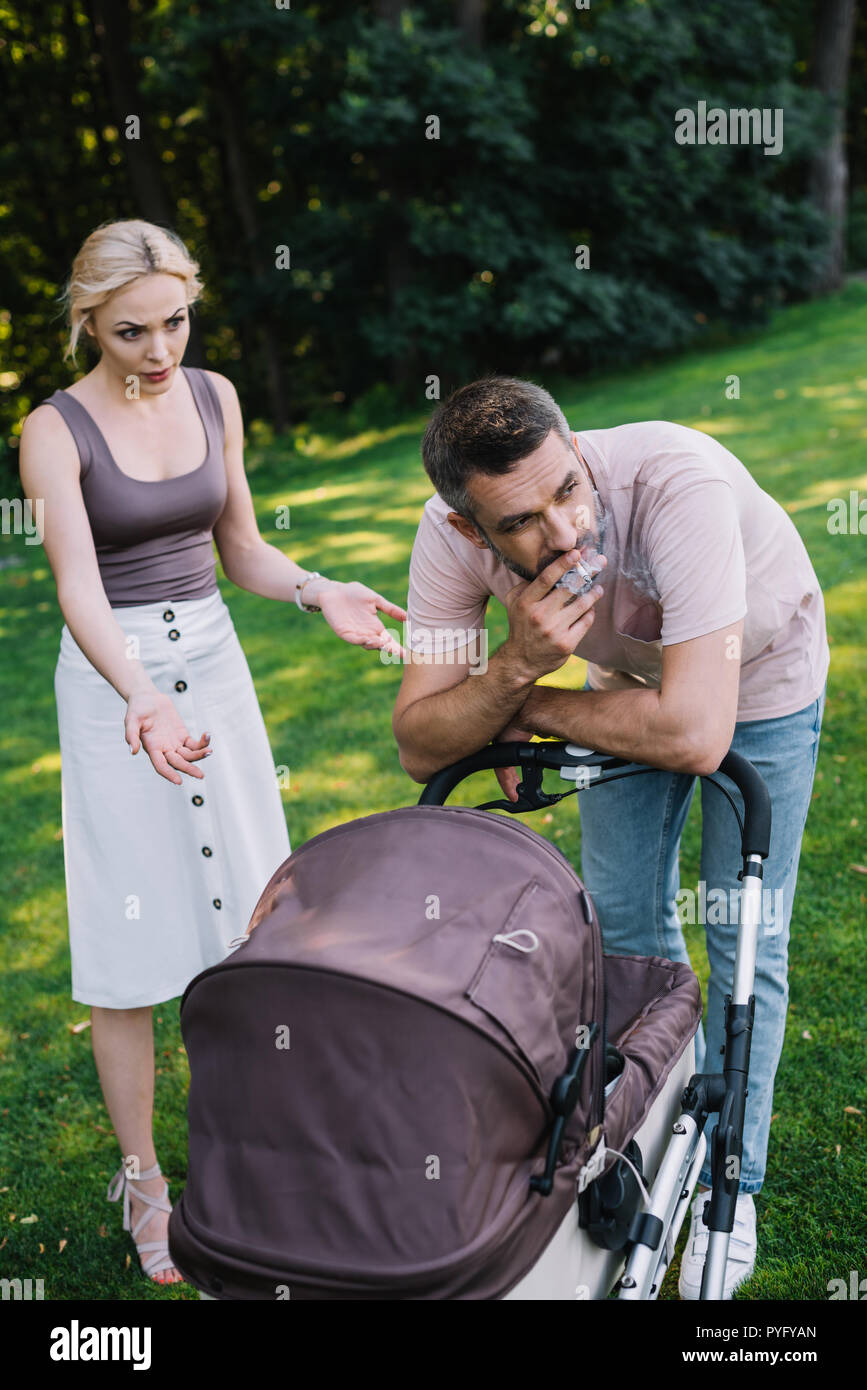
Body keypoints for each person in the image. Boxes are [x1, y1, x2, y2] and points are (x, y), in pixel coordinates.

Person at [18, 218, 407, 1287]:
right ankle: (145, 1177)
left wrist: (317, 587)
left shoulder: (213, 395)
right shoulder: (53, 431)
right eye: (133, 331)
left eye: (176, 322)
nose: (160, 350)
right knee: (128, 939)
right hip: (115, 685)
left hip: (216, 666)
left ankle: (264, 1146)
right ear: (88, 321)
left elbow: (238, 545)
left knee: (252, 914)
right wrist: (138, 695)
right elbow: (76, 589)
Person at [392, 375, 829, 1300]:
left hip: (758, 674)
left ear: (578, 451)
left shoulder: (675, 481)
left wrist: (517, 705)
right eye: (522, 521)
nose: (564, 532)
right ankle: (650, 1141)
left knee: (747, 934)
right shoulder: (445, 542)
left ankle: (728, 1179)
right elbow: (417, 739)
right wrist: (510, 663)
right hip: (620, 687)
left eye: (567, 490)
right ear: (470, 529)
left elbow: (695, 732)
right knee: (622, 929)